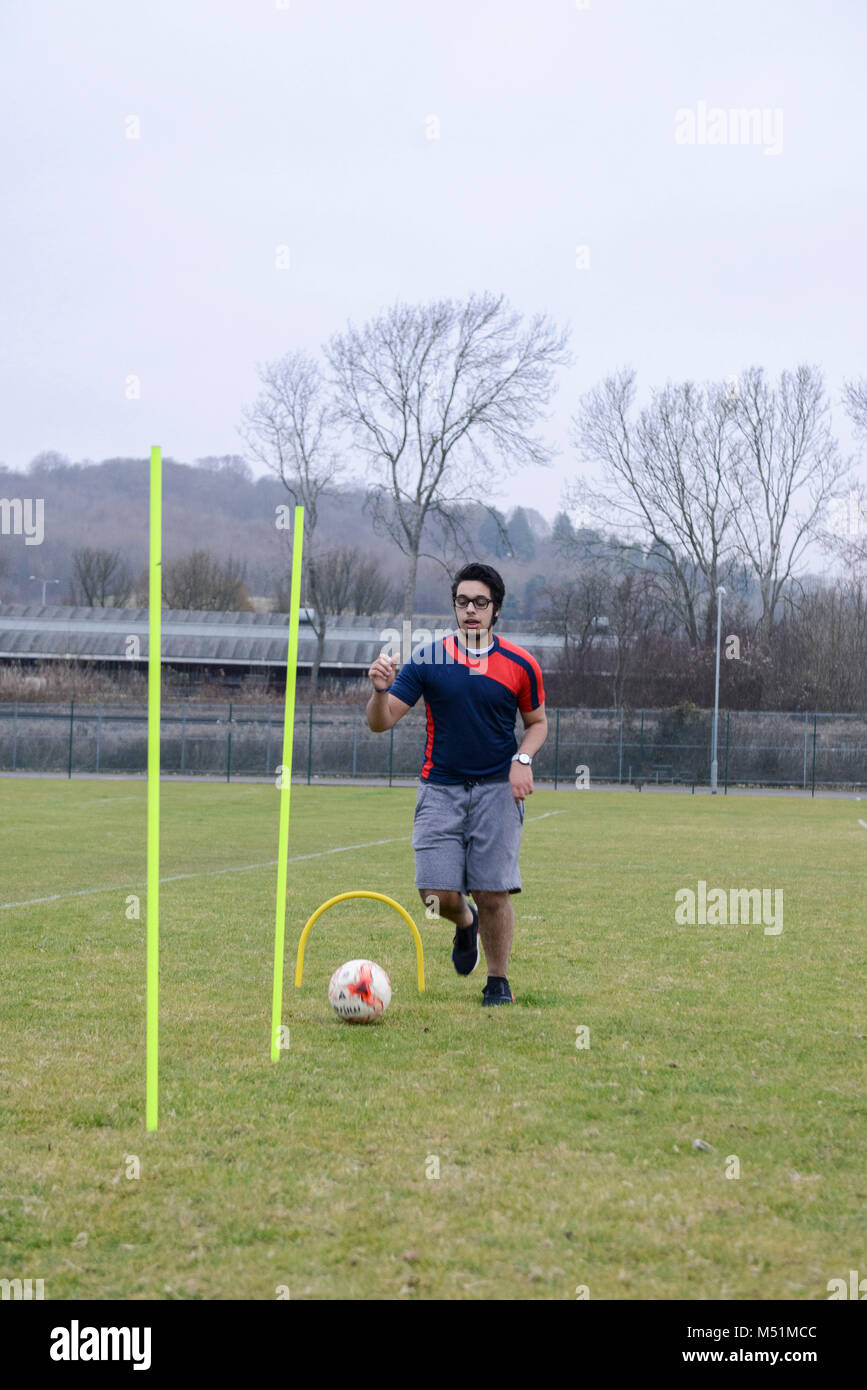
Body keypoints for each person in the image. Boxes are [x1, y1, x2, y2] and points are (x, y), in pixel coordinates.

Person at [365, 562, 547, 1005]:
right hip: (440, 790)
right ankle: (465, 923)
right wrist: (380, 691)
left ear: (496, 610)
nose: (470, 610)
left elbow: (537, 723)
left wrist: (522, 759)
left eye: (480, 602)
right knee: (434, 894)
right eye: (463, 601)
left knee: (493, 890)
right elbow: (380, 723)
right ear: (454, 606)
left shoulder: (521, 663)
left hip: (496, 792)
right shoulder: (428, 660)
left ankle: (497, 981)